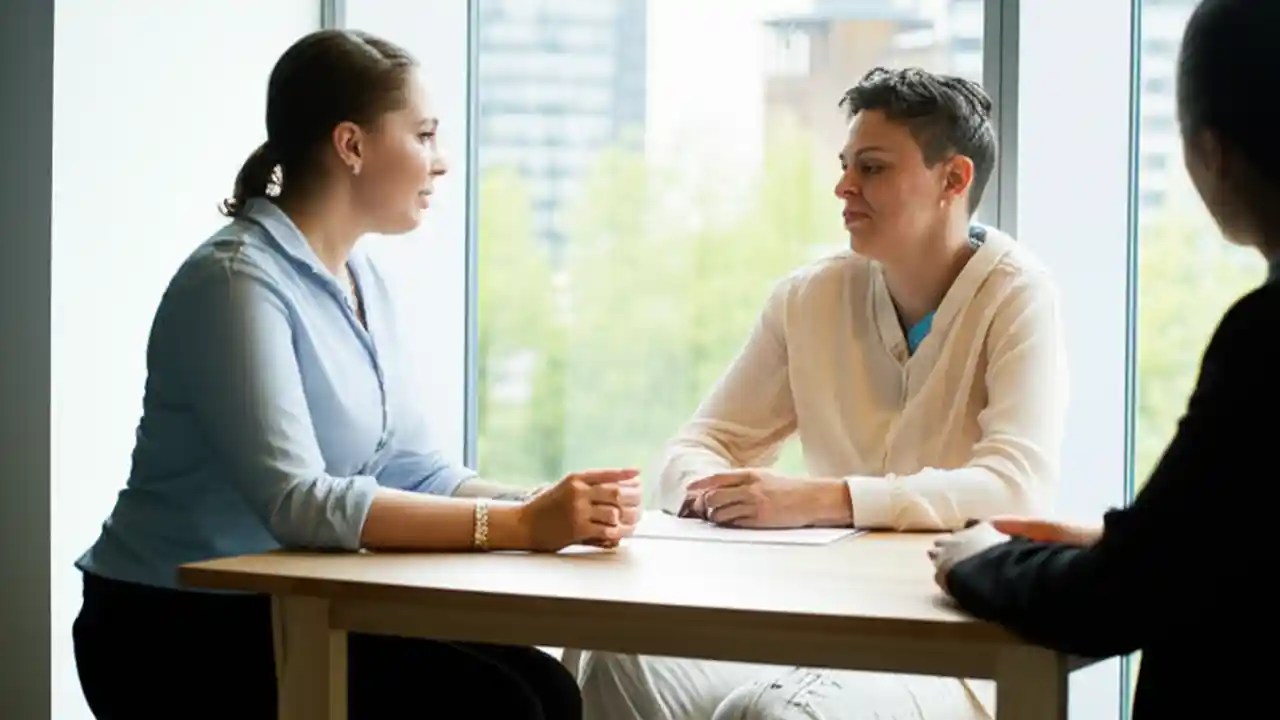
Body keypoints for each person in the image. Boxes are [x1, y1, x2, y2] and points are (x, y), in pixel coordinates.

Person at [71, 29, 640, 720]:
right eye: (424, 135)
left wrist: (554, 504)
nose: (441, 162)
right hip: (174, 624)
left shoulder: (361, 279)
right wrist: (520, 524)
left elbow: (412, 468)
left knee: (546, 689)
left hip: (286, 602)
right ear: (351, 145)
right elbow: (300, 502)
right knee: (500, 706)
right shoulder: (235, 283)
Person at [577, 67, 1069, 720]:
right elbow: (701, 443)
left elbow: (1014, 488)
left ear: (953, 180)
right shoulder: (807, 297)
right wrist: (716, 494)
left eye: (872, 168)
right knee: (617, 658)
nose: (843, 186)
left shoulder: (1018, 295)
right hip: (813, 621)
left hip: (956, 647)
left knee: (771, 714)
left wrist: (825, 500)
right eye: (845, 166)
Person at [929, 1, 1279, 717]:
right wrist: (1132, 540)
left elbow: (1121, 597)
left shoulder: (1266, 339)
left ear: (1210, 152)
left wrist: (980, 563)